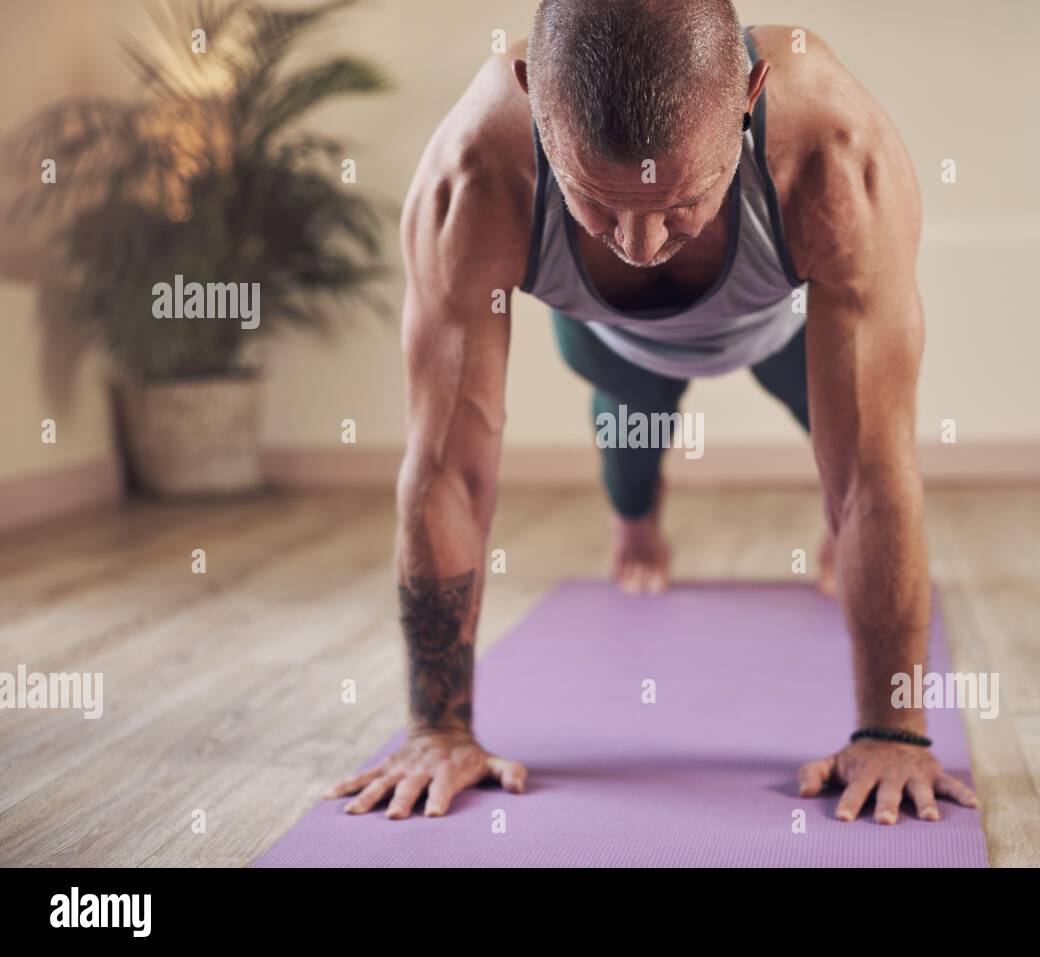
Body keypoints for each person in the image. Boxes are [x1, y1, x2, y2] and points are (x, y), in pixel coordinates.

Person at [325, 0, 978, 827]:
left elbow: (878, 470)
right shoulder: (475, 172)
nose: (639, 244)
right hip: (609, 344)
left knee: (844, 453)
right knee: (628, 458)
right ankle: (636, 523)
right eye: (597, 207)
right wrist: (438, 727)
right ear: (533, 103)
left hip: (780, 324)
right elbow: (447, 466)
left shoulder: (833, 152)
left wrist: (894, 731)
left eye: (680, 205)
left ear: (749, 97)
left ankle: (827, 542)